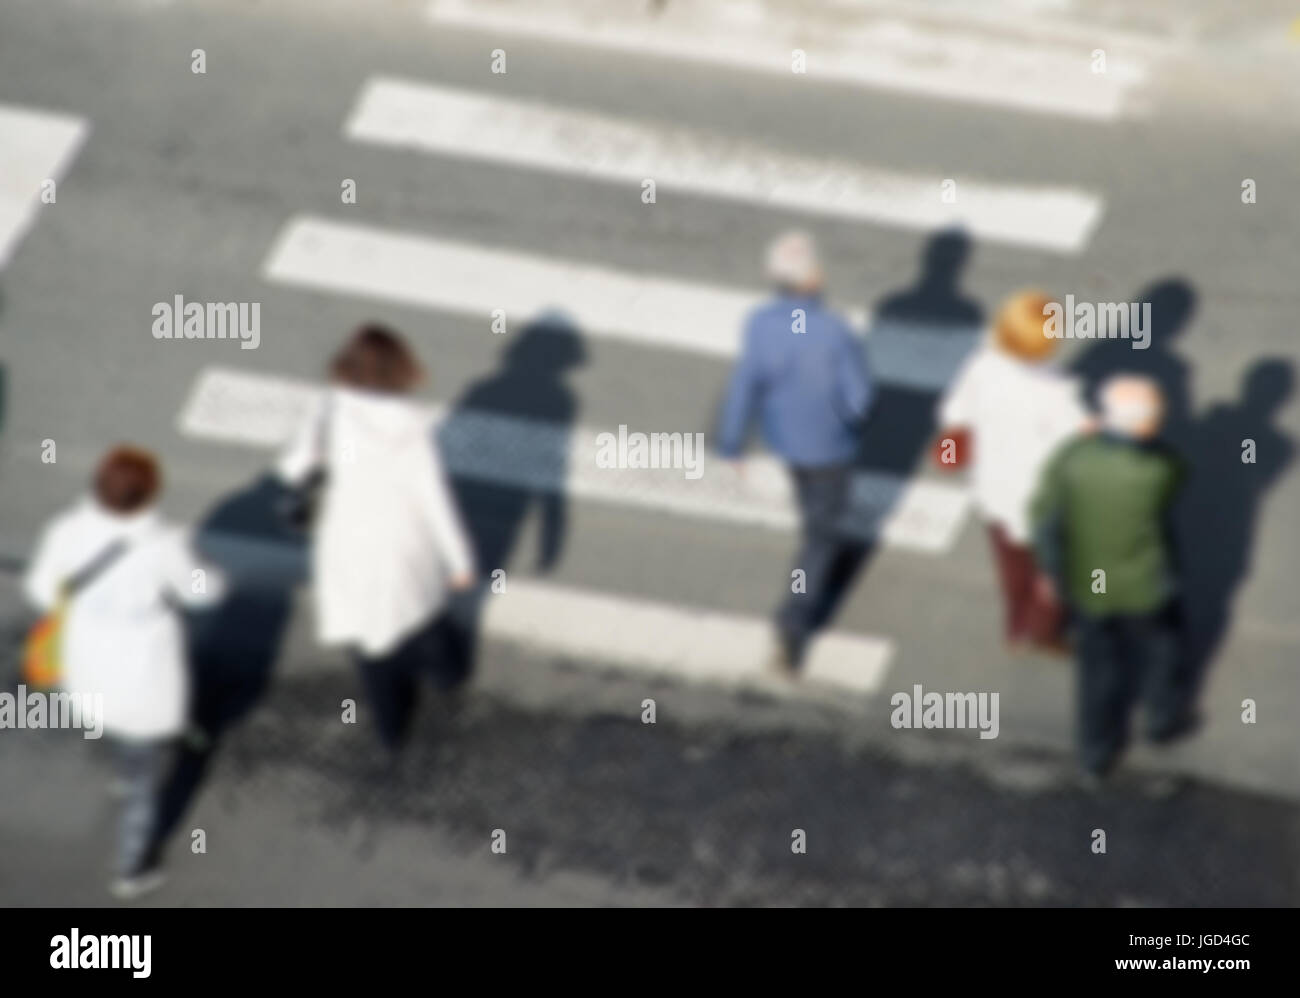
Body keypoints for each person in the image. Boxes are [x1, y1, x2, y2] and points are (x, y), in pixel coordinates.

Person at [23, 445, 225, 899]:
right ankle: (132, 869)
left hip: (88, 663)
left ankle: (123, 772)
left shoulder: (67, 530)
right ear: (152, 493)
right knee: (144, 788)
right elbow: (202, 593)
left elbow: (41, 590)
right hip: (141, 676)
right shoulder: (163, 545)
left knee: (113, 727)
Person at [277, 324, 475, 754]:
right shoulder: (412, 427)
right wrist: (459, 561)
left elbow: (293, 468)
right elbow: (434, 499)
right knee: (423, 616)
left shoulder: (330, 409)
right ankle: (448, 673)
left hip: (349, 541)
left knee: (372, 648)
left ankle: (392, 734)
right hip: (403, 542)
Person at [717, 231, 875, 675]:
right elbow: (859, 400)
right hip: (831, 450)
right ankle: (793, 622)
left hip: (786, 443)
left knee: (812, 507)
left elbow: (744, 385)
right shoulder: (835, 332)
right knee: (821, 538)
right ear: (814, 279)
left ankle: (816, 536)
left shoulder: (760, 324)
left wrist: (731, 441)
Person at [1031, 375, 1195, 778]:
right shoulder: (1159, 468)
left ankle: (1095, 751)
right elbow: (1179, 474)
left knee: (1097, 669)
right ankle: (1161, 721)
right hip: (1146, 584)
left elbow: (1045, 518)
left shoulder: (1073, 458)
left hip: (1090, 585)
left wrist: (1052, 571)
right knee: (1163, 647)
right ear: (1147, 428)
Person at [935, 290, 1089, 651]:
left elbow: (954, 417)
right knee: (1054, 574)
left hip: (994, 495)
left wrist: (949, 452)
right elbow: (1076, 447)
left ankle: (1017, 626)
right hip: (1041, 503)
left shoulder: (982, 366)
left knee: (1013, 569)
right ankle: (1046, 631)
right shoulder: (1055, 392)